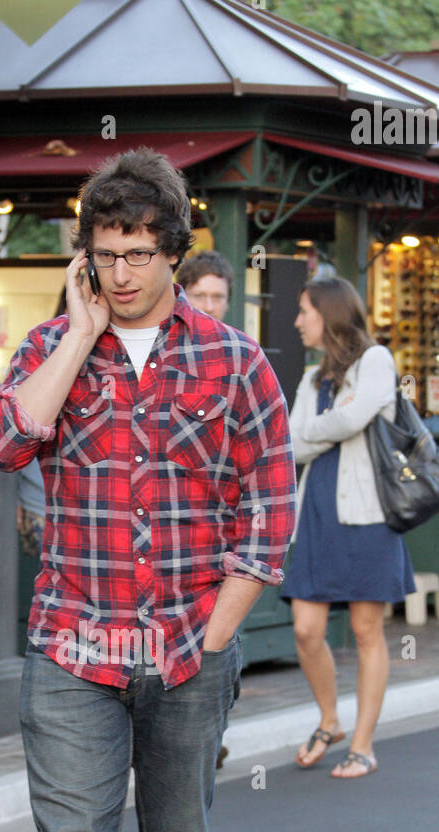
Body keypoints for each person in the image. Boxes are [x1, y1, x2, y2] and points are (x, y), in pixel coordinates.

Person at [0, 146, 295, 832]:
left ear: (173, 251)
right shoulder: (50, 347)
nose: (120, 273)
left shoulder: (232, 360)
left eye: (138, 254)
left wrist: (212, 634)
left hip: (187, 652)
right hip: (73, 646)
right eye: (104, 253)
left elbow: (269, 505)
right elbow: (4, 440)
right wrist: (77, 335)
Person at [282, 276, 415, 778]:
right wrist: (330, 425)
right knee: (305, 629)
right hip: (315, 514)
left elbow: (354, 418)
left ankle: (362, 744)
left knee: (365, 629)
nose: (298, 322)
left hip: (367, 517)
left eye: (305, 312)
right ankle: (329, 718)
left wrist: (326, 427)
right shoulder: (312, 379)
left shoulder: (376, 361)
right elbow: (291, 445)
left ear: (329, 314)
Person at [176, 249, 235, 768]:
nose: (212, 306)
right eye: (202, 296)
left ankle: (208, 733)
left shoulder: (240, 361)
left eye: (219, 297)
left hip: (218, 552)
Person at [175, 249, 233, 321]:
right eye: (199, 296)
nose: (209, 308)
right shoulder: (162, 331)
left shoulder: (235, 332)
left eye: (217, 297)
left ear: (227, 303)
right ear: (181, 298)